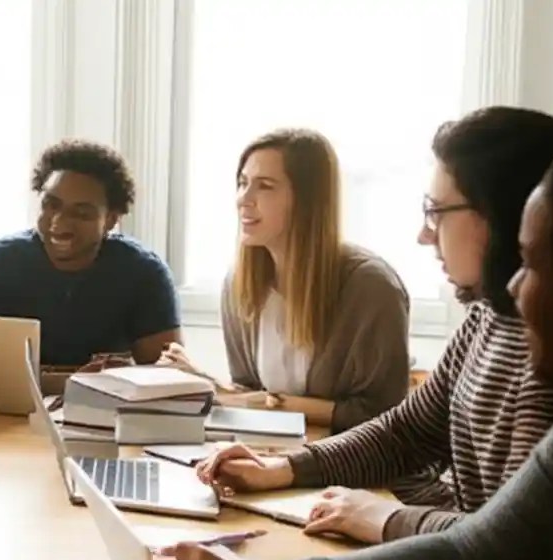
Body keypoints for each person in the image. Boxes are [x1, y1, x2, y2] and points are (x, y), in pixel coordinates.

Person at [163, 147, 553, 560]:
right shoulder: (541, 374)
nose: (513, 286)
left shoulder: (547, 371)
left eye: (533, 263)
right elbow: (478, 546)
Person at [197, 107, 553, 544]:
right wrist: (284, 468)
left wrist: (385, 518)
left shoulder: (552, 351)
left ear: (505, 215)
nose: (425, 233)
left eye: (436, 211)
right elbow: (406, 432)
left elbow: (510, 545)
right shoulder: (486, 319)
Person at [159, 129, 411, 432]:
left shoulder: (371, 287)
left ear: (308, 201)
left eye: (264, 186)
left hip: (352, 467)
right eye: (242, 183)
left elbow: (383, 417)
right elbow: (248, 394)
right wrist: (212, 387)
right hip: (274, 454)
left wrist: (233, 395)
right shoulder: (239, 283)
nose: (244, 199)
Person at [0, 139, 181, 368]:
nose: (59, 222)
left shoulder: (143, 274)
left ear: (111, 220)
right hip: (9, 403)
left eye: (81, 213)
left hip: (104, 405)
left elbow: (165, 378)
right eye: (51, 205)